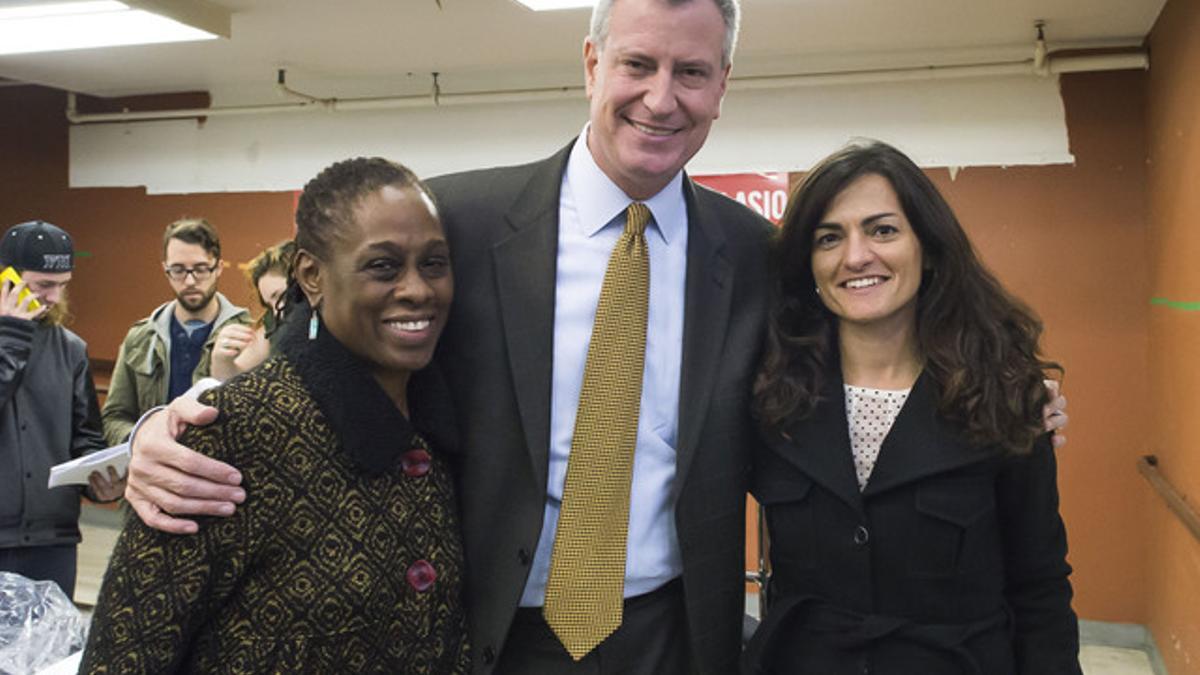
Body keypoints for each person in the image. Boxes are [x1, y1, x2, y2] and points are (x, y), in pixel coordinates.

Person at [120, 2, 1066, 673]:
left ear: (722, 85)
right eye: (639, 66)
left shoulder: (759, 257)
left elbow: (883, 327)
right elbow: (329, 346)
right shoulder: (468, 222)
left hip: (678, 635)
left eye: (691, 72)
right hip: (487, 627)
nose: (662, 98)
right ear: (590, 64)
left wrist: (1005, 395)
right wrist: (180, 418)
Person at [80, 157, 470, 673]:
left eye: (434, 264)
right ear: (311, 276)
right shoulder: (228, 433)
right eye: (384, 265)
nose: (418, 289)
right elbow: (126, 653)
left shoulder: (452, 423)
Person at [744, 141, 1080, 674]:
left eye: (883, 230)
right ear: (808, 263)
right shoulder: (769, 397)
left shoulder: (1003, 398)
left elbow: (1038, 584)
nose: (856, 256)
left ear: (929, 247)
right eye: (829, 238)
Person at [0, 220, 123, 600]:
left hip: (52, 540)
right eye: (43, 285)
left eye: (62, 285)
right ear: (6, 280)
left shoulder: (70, 349)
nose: (55, 297)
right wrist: (11, 338)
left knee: (49, 659)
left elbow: (85, 437)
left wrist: (98, 480)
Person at [101, 217, 250, 445]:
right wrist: (143, 441)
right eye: (179, 270)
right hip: (156, 470)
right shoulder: (141, 338)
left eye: (200, 269)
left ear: (218, 267)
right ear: (165, 270)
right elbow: (114, 416)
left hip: (221, 471)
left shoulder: (246, 334)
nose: (190, 281)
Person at [209, 240, 295, 381]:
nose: (276, 312)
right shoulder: (274, 324)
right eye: (269, 305)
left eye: (281, 296)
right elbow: (234, 378)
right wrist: (221, 360)